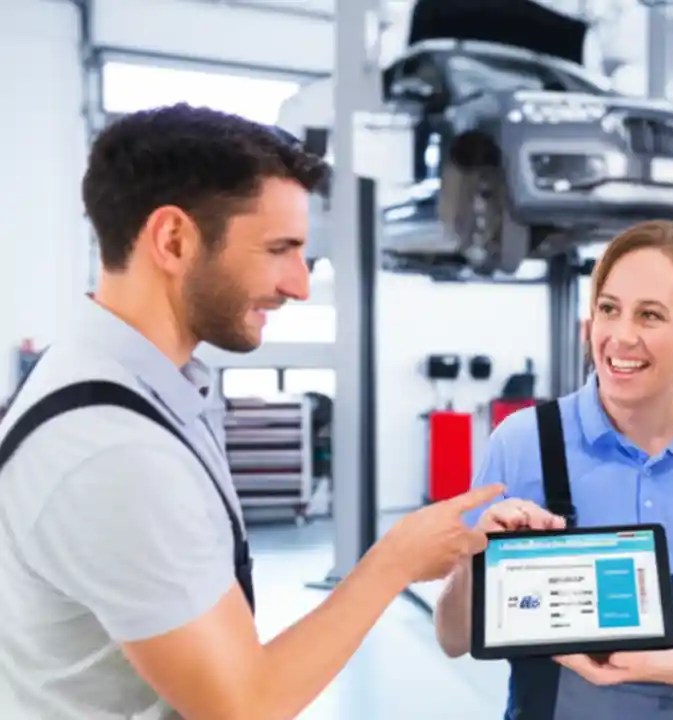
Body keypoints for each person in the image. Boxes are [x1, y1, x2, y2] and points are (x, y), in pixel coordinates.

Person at [0, 103, 502, 719]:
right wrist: (393, 561)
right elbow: (244, 705)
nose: (298, 284)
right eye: (278, 249)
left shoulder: (137, 386)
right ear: (174, 240)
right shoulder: (115, 449)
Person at [433, 220, 673, 719]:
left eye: (650, 315)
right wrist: (476, 559)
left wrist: (643, 665)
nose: (621, 337)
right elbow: (453, 638)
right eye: (609, 309)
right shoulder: (522, 444)